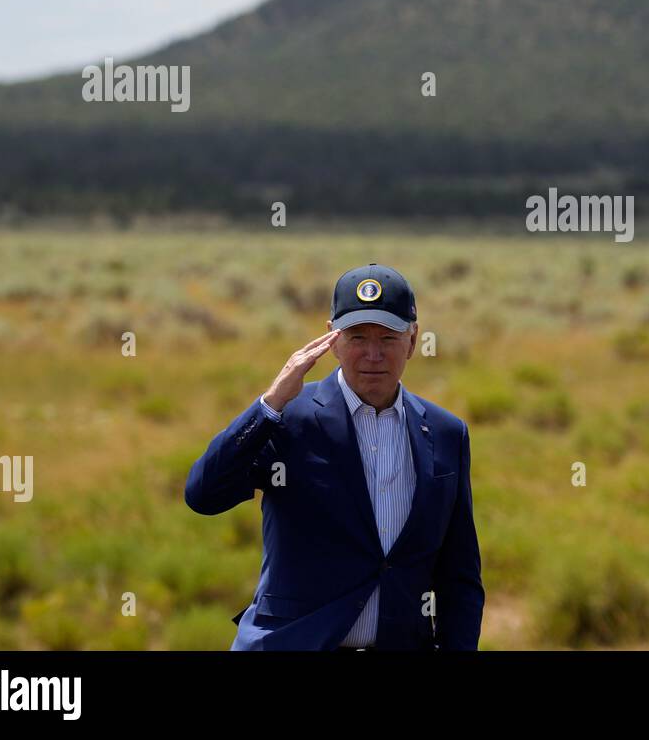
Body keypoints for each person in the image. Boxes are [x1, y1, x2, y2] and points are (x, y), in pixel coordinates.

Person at [184, 263, 484, 650]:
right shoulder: (288, 418)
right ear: (332, 339)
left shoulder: (446, 433)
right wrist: (269, 404)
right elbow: (204, 495)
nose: (372, 354)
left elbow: (459, 577)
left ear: (412, 341)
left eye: (388, 338)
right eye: (357, 336)